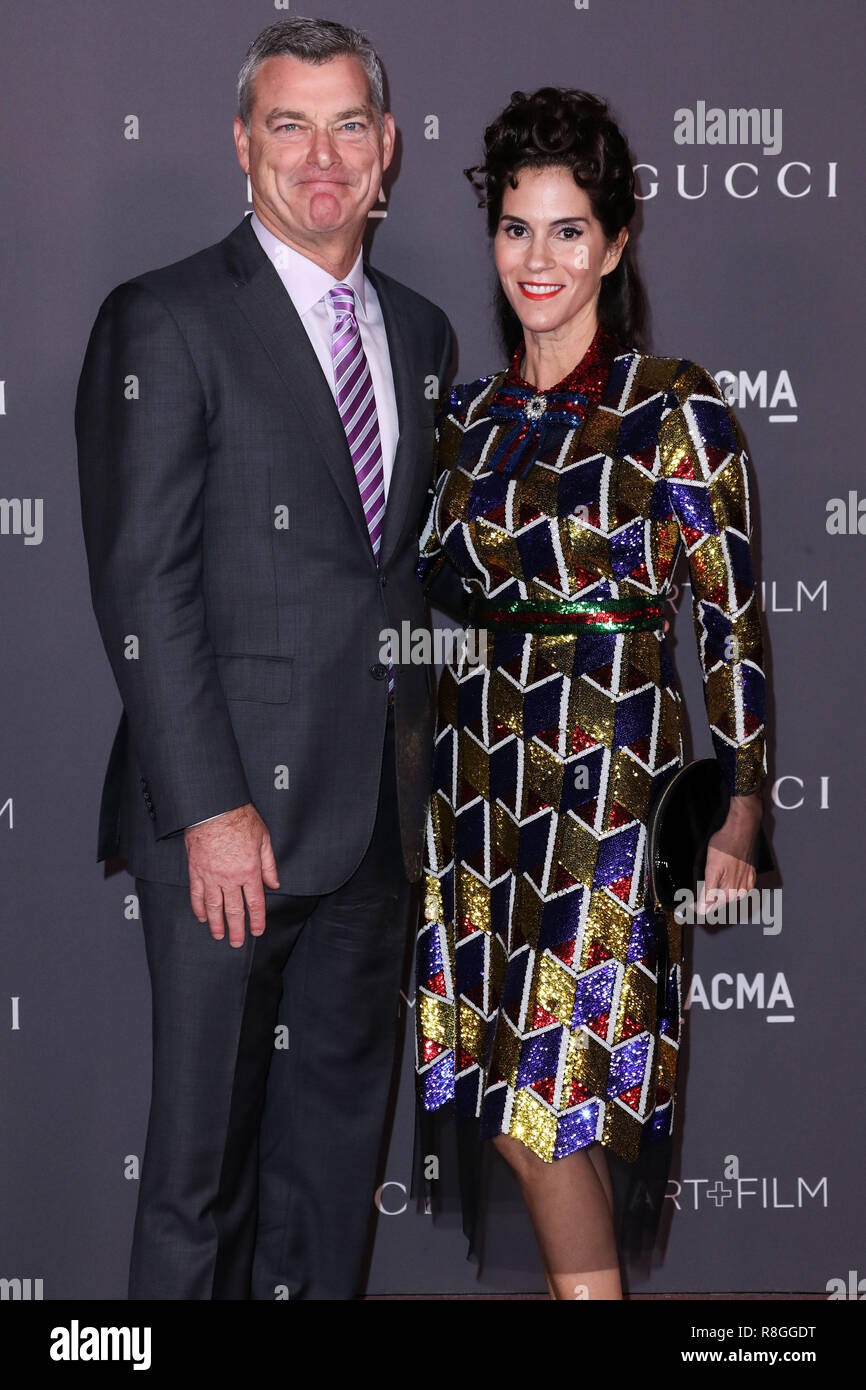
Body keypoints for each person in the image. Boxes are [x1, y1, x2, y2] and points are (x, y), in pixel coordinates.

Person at [75, 16, 452, 1300]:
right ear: (243, 146)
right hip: (224, 829)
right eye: (288, 125)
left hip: (374, 834)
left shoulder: (423, 333)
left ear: (388, 148)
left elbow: (402, 583)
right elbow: (142, 583)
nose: (322, 156)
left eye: (349, 123)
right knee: (198, 1183)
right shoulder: (165, 320)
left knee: (327, 1185)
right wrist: (211, 808)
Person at [414, 87, 767, 1300]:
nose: (538, 258)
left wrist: (737, 809)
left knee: (546, 1110)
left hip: (609, 797)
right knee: (516, 1110)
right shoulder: (462, 421)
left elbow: (727, 619)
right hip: (478, 800)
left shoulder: (675, 407)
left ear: (615, 243)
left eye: (569, 230)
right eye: (517, 228)